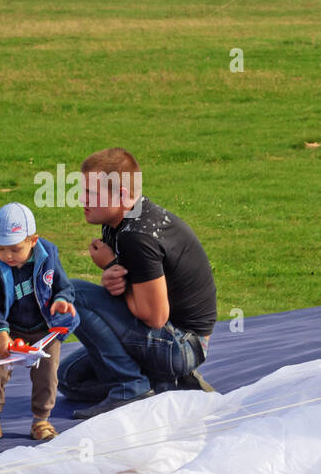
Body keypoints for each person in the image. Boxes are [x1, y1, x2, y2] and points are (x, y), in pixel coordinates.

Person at [58, 148, 218, 419]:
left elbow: (156, 317)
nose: (81, 200)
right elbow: (130, 290)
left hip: (182, 345)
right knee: (70, 379)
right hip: (173, 339)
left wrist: (109, 267)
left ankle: (129, 389)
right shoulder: (120, 220)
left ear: (121, 195)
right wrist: (113, 278)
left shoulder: (137, 236)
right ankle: (165, 383)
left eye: (91, 193)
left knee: (73, 293)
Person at [0, 202, 79, 444]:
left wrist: (61, 300)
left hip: (44, 330)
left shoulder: (48, 257)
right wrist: (0, 332)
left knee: (47, 375)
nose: (7, 255)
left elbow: (65, 288)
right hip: (8, 330)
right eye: (1, 248)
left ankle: (41, 420)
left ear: (33, 240)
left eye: (15, 249)